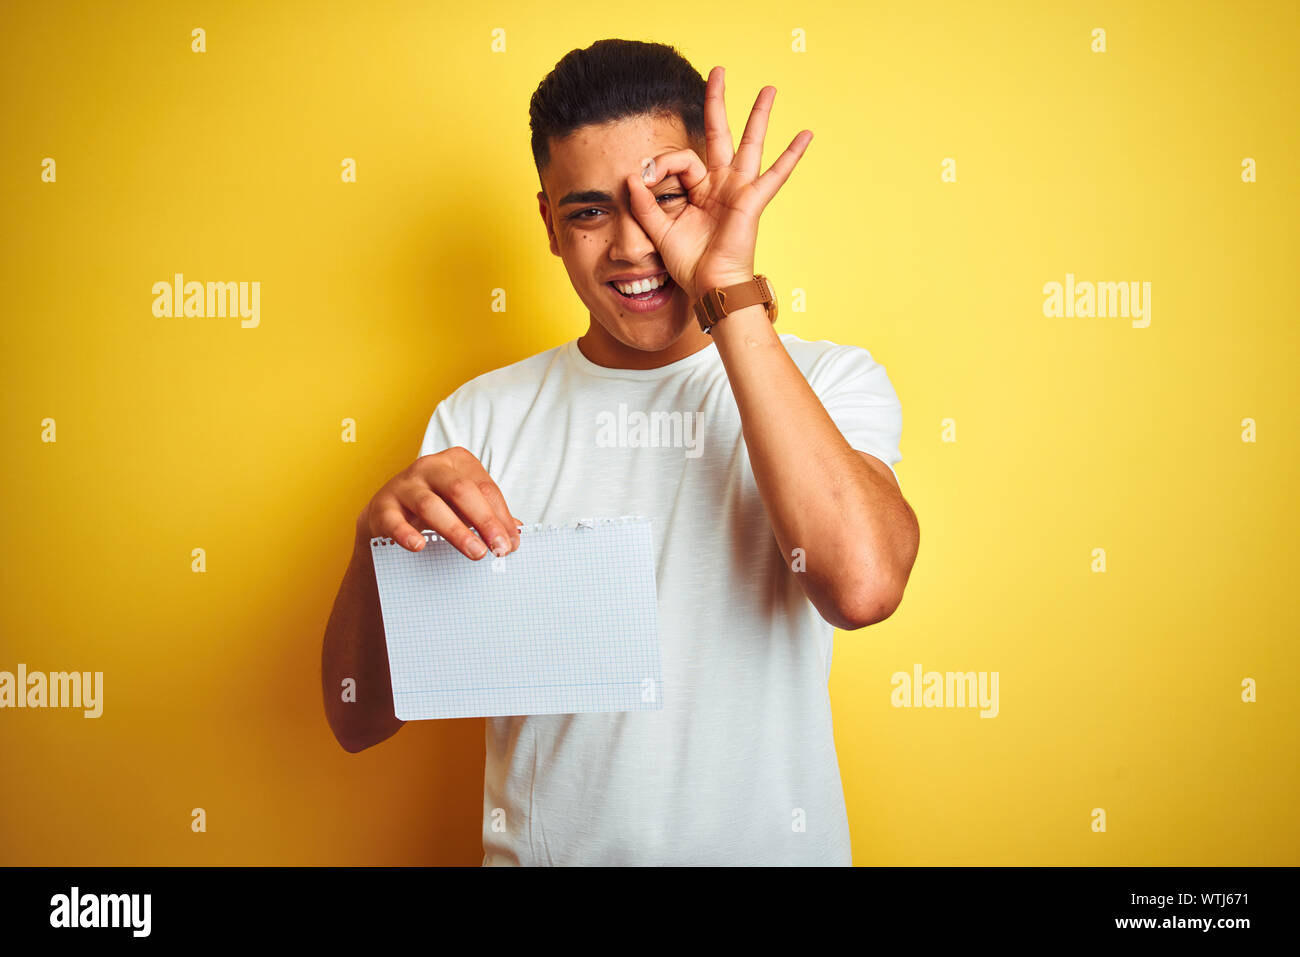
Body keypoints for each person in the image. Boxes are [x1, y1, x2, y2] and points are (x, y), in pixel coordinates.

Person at [321, 38, 920, 865]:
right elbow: (359, 719)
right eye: (591, 211)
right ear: (550, 227)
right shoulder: (479, 420)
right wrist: (369, 546)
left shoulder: (827, 381)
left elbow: (861, 584)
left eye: (664, 197)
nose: (635, 247)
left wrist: (726, 287)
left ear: (709, 188)